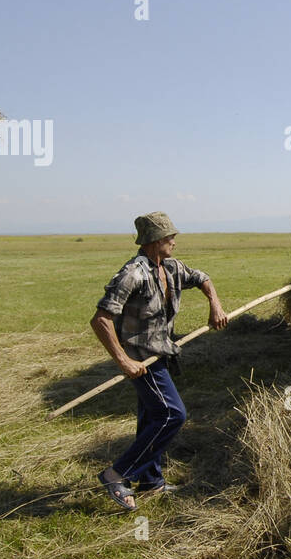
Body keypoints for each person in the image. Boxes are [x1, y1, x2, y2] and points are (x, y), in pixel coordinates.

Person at [90, 212, 229, 511]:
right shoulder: (132, 274)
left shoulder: (171, 267)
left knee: (151, 418)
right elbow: (101, 319)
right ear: (154, 240)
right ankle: (118, 473)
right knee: (172, 415)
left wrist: (215, 306)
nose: (174, 242)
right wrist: (124, 361)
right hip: (142, 358)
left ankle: (150, 482)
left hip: (161, 353)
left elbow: (203, 278)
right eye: (169, 237)